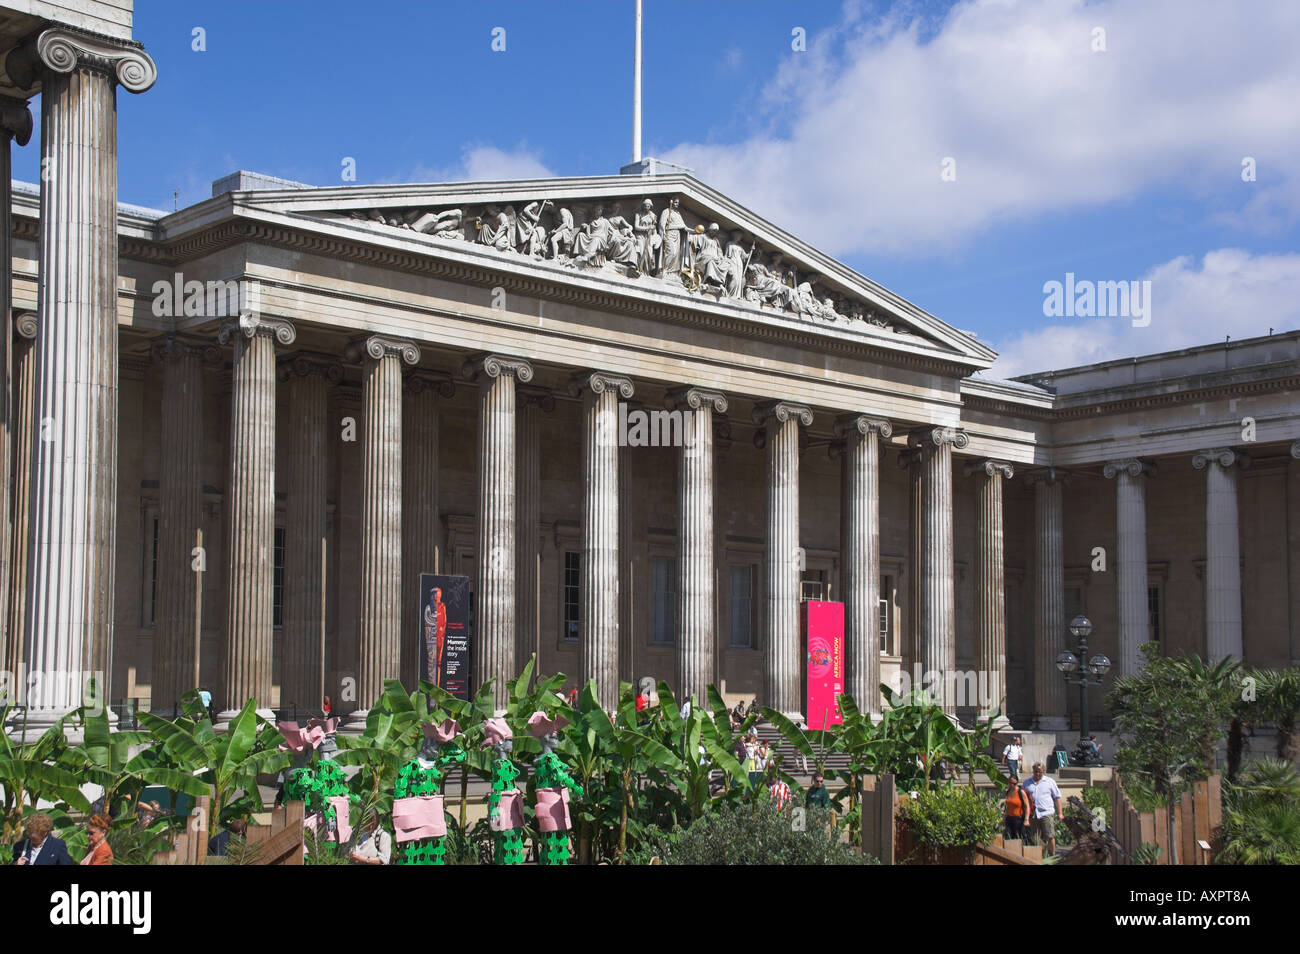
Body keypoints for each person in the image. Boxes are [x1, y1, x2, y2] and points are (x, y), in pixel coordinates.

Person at [1022, 763, 1065, 856]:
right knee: (1034, 837)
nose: (1038, 774)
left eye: (1040, 772)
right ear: (1033, 771)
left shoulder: (1050, 782)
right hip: (1033, 813)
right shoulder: (1027, 783)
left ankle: (1052, 854)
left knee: (1050, 835)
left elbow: (1057, 797)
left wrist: (1060, 813)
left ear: (1043, 772)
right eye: (1036, 772)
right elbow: (1023, 798)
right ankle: (1041, 854)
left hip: (1046, 812)